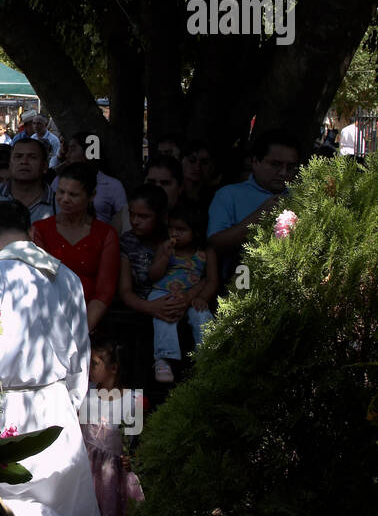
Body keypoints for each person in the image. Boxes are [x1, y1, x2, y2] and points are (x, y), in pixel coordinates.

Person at [0, 199, 114, 516]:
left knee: (9, 504)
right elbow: (79, 352)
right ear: (30, 232)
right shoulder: (63, 274)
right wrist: (70, 404)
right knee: (59, 501)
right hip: (53, 403)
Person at [80, 337, 145, 516]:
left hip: (113, 479)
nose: (89, 368)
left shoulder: (132, 400)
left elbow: (136, 441)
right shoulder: (85, 394)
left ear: (113, 368)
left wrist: (133, 458)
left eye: (95, 363)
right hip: (86, 474)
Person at [32, 162, 119, 332]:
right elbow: (40, 283)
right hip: (46, 318)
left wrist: (82, 333)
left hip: (90, 320)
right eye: (61, 192)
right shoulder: (40, 230)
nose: (65, 199)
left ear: (91, 196)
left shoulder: (105, 234)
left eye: (73, 194)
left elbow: (104, 292)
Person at [207, 129, 301, 280]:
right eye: (276, 164)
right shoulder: (229, 195)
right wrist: (258, 216)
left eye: (290, 167)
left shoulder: (302, 197)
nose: (283, 173)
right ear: (255, 161)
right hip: (242, 281)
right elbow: (214, 245)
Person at [147, 201, 218, 383]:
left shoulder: (205, 251)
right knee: (166, 312)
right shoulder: (165, 247)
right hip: (163, 292)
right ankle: (164, 358)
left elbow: (212, 280)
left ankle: (207, 358)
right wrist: (164, 257)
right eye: (171, 228)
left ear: (196, 231)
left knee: (202, 316)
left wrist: (202, 297)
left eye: (181, 229)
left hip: (192, 295)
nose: (174, 234)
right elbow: (153, 275)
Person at [117, 183, 187, 329]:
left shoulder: (176, 241)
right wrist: (150, 307)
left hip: (180, 308)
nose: (135, 221)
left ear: (161, 216)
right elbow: (125, 291)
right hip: (141, 313)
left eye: (143, 216)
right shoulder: (127, 242)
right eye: (131, 214)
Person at [54, 132, 128, 228]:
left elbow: (124, 220)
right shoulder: (58, 181)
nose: (67, 155)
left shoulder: (113, 185)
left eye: (72, 149)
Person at [0, 136, 55, 222]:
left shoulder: (59, 203)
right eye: (18, 156)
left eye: (32, 157)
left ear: (45, 165)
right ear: (10, 164)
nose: (24, 161)